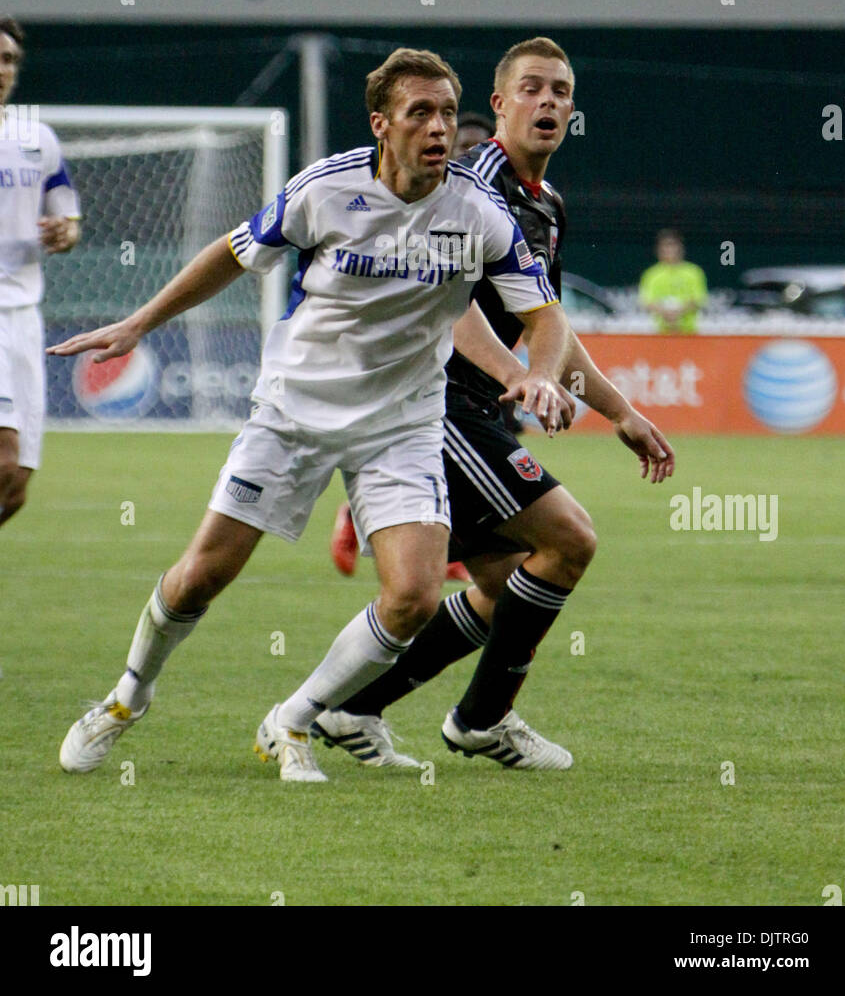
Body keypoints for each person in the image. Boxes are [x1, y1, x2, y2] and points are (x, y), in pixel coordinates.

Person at [53, 48, 574, 784]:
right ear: (381, 124)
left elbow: (544, 316)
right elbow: (232, 255)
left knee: (414, 597)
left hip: (403, 423)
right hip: (295, 412)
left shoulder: (477, 211)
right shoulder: (325, 189)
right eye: (418, 112)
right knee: (201, 577)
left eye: (448, 113)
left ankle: (293, 718)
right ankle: (124, 700)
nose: (437, 127)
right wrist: (140, 323)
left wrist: (541, 377)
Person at [302, 38, 675, 772]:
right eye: (531, 89)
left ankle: (352, 708)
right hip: (432, 401)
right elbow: (446, 306)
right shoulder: (471, 189)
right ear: (499, 105)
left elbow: (547, 321)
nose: (548, 103)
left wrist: (618, 410)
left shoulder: (544, 205)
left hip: (474, 409)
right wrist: (520, 376)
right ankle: (481, 720)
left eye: (561, 92)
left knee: (505, 586)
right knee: (569, 538)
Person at [329, 107, 496, 583]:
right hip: (443, 370)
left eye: (476, 148)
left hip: (491, 372)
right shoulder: (424, 207)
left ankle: (433, 547)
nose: (466, 156)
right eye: (461, 147)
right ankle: (424, 547)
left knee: (462, 472)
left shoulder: (497, 208)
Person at [0, 18, 80, 530]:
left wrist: (64, 233)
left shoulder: (38, 140)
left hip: (24, 317)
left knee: (16, 485)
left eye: (8, 60)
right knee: (3, 458)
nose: (2, 70)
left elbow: (68, 217)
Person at [639, 229, 708, 334]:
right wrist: (665, 313)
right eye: (665, 246)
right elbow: (647, 301)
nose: (670, 250)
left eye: (673, 246)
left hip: (689, 332)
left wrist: (678, 312)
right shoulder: (651, 274)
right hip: (661, 333)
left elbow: (699, 299)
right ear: (658, 250)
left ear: (681, 248)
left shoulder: (694, 272)